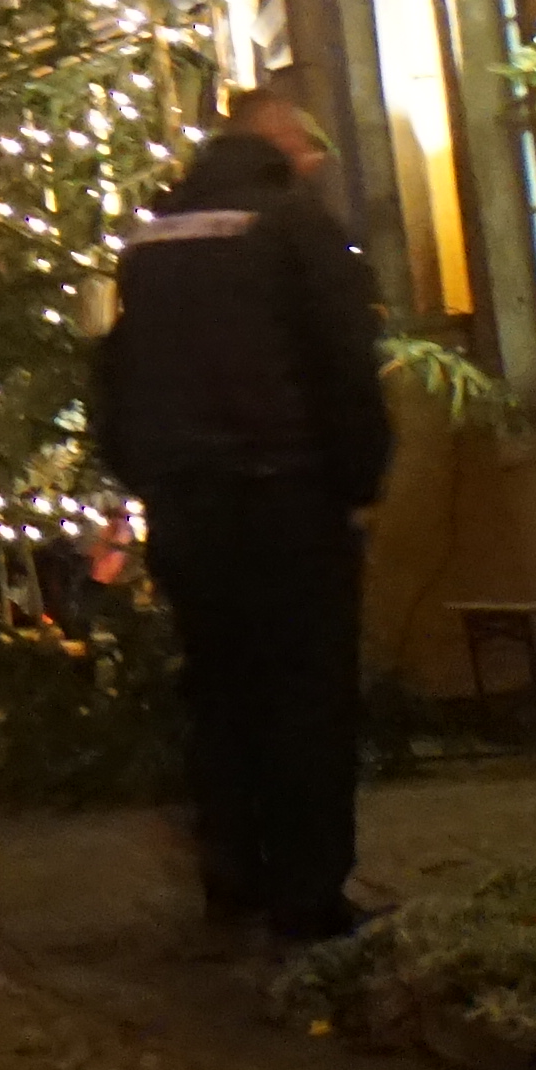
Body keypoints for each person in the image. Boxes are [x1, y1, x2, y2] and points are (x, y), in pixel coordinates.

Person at [89, 81, 395, 944]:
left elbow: (116, 371)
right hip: (286, 495)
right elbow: (342, 363)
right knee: (305, 693)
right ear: (280, 145)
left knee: (220, 690)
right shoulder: (292, 228)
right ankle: (307, 897)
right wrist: (358, 481)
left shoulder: (151, 241)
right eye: (305, 151)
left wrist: (146, 472)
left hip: (188, 505)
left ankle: (234, 879)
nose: (311, 166)